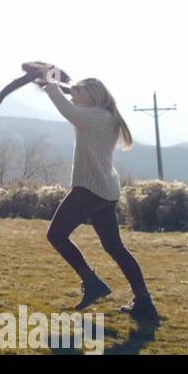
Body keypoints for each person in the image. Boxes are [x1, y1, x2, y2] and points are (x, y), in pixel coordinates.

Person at [38, 76, 159, 323]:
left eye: (77, 93)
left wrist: (49, 86)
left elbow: (66, 109)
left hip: (89, 189)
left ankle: (92, 282)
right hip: (106, 191)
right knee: (115, 247)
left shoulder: (93, 116)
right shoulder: (105, 115)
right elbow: (72, 99)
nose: (73, 96)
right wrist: (60, 82)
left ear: (91, 95)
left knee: (56, 235)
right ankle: (144, 301)